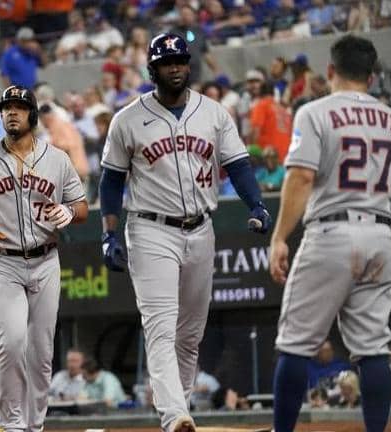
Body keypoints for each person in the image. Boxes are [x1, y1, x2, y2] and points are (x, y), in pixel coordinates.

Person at [99, 33, 271, 432]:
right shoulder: (127, 119)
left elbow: (240, 165)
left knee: (190, 333)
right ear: (152, 69)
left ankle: (182, 407)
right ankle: (174, 415)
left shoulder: (213, 113)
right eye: (166, 62)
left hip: (201, 227)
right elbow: (110, 183)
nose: (175, 67)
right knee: (159, 326)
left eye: (180, 60)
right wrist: (108, 233)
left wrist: (257, 205)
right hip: (149, 228)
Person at [268, 35, 391, 432]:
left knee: (295, 344)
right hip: (380, 235)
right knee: (372, 350)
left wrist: (279, 236)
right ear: (372, 75)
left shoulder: (314, 112)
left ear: (330, 70)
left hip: (331, 230)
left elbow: (300, 176)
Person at [0, 85, 88, 432]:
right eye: (6, 107)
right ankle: (12, 426)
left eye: (18, 107)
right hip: (3, 263)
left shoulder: (56, 159)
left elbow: (82, 206)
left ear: (32, 114)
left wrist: (69, 212)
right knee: (11, 346)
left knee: (41, 353)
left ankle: (35, 425)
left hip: (45, 260)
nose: (11, 112)